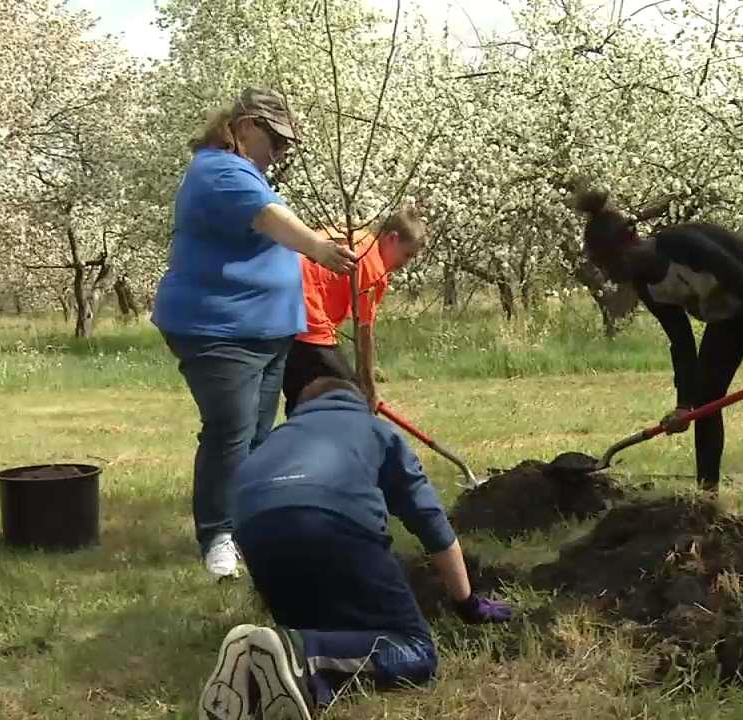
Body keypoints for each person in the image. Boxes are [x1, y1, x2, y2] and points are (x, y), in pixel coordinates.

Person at [197, 378, 512, 720]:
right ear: (360, 403)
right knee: (414, 649)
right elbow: (432, 523)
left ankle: (259, 670)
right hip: (334, 523)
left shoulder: (276, 439)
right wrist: (466, 603)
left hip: (256, 534)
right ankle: (305, 656)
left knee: (323, 635)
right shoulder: (376, 431)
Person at [151, 86, 358, 580]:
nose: (281, 154)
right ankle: (218, 536)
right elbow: (270, 219)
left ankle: (249, 524)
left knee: (258, 436)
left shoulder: (243, 171)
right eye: (276, 141)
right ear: (244, 128)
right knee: (230, 432)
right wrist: (318, 248)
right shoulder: (218, 170)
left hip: (265, 330)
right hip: (220, 329)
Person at [574, 189, 743, 542]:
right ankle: (706, 504)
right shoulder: (647, 286)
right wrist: (684, 404)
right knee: (705, 403)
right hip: (727, 312)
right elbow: (681, 344)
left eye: (612, 261)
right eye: (604, 266)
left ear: (631, 240)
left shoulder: (684, 244)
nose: (611, 272)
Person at [280, 206, 427, 416]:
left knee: (305, 398)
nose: (405, 264)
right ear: (392, 238)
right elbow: (363, 332)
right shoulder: (370, 262)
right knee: (347, 400)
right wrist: (369, 390)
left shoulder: (357, 238)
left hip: (277, 306)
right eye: (407, 254)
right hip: (305, 313)